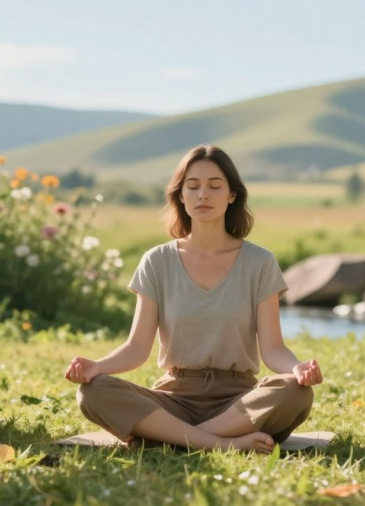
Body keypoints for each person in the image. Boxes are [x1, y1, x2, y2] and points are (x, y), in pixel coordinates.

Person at [64, 145, 321, 453]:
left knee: (295, 392)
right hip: (173, 400)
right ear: (181, 196)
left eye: (215, 186)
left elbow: (273, 349)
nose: (203, 195)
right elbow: (136, 348)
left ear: (232, 195)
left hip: (238, 404)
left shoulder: (260, 262)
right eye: (193, 186)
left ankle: (169, 438)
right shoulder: (157, 261)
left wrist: (297, 368)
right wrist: (97, 366)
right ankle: (219, 443)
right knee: (93, 392)